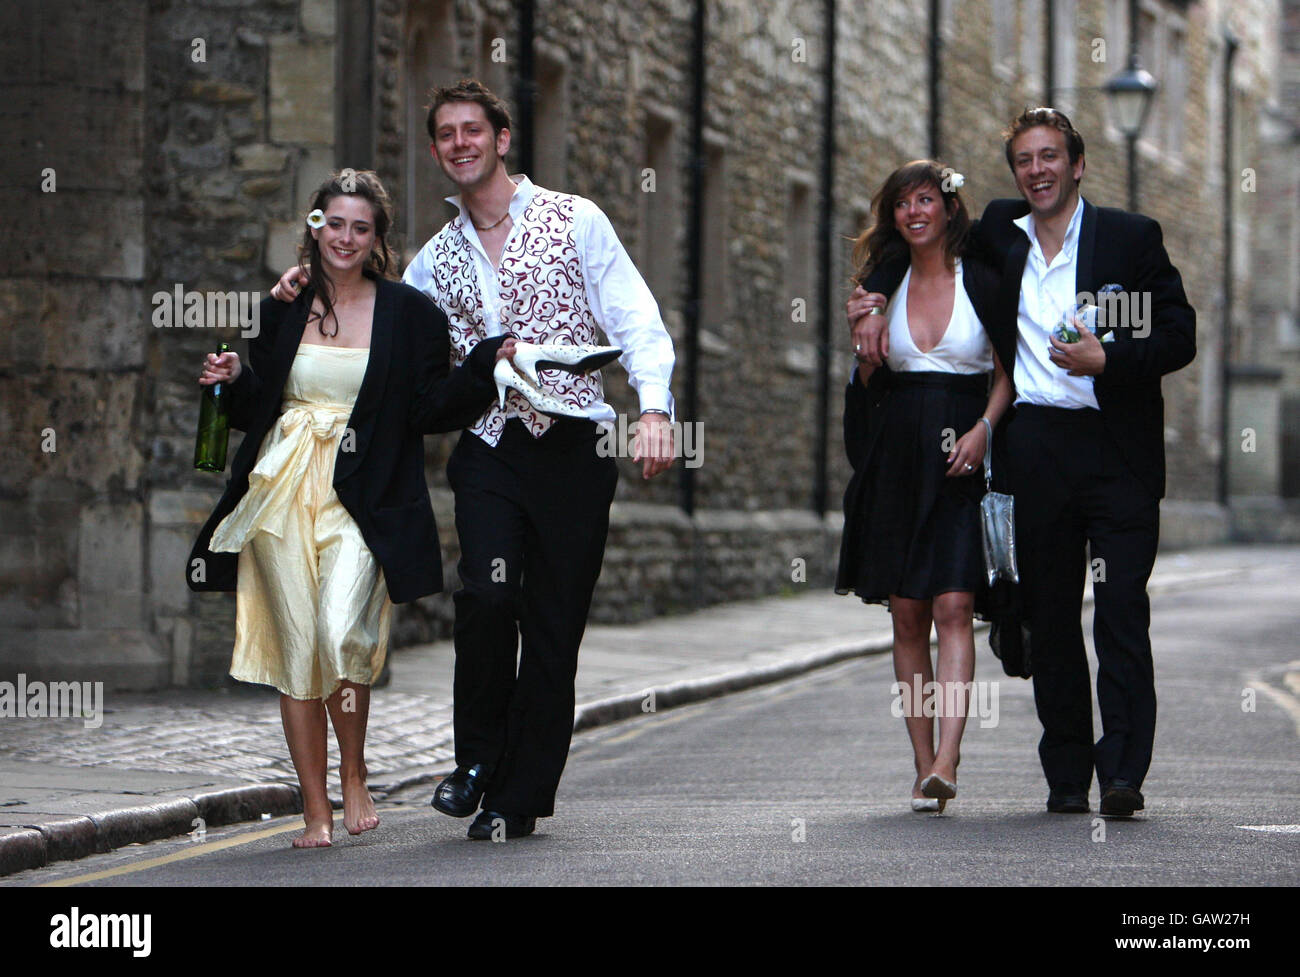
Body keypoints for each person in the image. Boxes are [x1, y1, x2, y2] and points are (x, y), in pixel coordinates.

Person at [272, 80, 676, 840]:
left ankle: (517, 795)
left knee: (554, 628)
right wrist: (305, 288)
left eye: (472, 131)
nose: (460, 143)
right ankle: (479, 763)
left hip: (574, 446)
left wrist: (653, 409)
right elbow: (378, 316)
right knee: (487, 597)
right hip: (489, 447)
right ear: (435, 151)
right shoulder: (432, 263)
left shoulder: (574, 220)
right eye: (446, 135)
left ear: (502, 138)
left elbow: (637, 317)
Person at [851, 109, 1196, 817]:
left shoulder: (1129, 239)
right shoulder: (1001, 236)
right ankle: (1067, 774)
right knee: (1052, 615)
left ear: (1078, 164)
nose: (1037, 170)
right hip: (1033, 447)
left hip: (1117, 451)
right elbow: (913, 233)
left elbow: (1179, 333)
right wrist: (874, 302)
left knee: (1122, 612)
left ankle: (1123, 771)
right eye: (1024, 160)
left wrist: (1112, 358)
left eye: (1049, 157)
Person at [189, 170, 515, 847]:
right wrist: (235, 381)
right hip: (281, 486)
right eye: (334, 224)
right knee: (296, 648)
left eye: (360, 227)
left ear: (376, 239)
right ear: (315, 228)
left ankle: (356, 770)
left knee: (343, 632)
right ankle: (315, 808)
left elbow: (428, 409)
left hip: (365, 489)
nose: (345, 237)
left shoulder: (409, 312)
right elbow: (261, 405)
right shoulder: (282, 306)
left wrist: (484, 365)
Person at [838, 160, 1013, 813]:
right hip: (899, 460)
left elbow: (1008, 370)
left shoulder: (982, 280)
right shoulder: (882, 288)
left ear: (947, 208)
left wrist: (984, 431)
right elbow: (866, 388)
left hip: (963, 455)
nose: (914, 212)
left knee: (954, 606)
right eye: (902, 203)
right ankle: (921, 766)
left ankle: (949, 755)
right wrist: (864, 355)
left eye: (925, 199)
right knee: (908, 611)